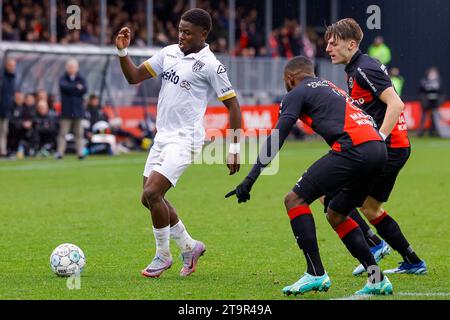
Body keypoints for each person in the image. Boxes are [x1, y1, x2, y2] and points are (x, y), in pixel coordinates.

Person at [226, 56, 392, 296]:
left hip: (353, 148)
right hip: (378, 149)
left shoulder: (296, 93)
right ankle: (377, 279)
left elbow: (277, 137)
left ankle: (315, 273)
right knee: (336, 213)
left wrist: (250, 179)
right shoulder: (329, 86)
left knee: (294, 199)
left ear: (289, 78)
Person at [116, 8, 242, 278]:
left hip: (186, 139)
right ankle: (189, 245)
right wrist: (122, 52)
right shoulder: (169, 53)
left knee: (152, 194)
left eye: (187, 32)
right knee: (148, 198)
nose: (181, 35)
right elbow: (134, 77)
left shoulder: (211, 65)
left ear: (203, 34)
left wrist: (233, 148)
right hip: (162, 137)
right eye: (180, 30)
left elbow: (233, 107)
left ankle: (163, 256)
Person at [325, 18, 426, 275]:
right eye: (327, 43)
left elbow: (396, 104)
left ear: (351, 44)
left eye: (333, 43)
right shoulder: (356, 68)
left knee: (331, 196)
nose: (328, 48)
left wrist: (378, 139)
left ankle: (374, 246)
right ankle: (413, 261)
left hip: (388, 149)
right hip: (395, 148)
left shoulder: (364, 69)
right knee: (370, 208)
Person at [56, 58, 88, 160]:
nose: (71, 69)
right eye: (70, 67)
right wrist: (76, 88)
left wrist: (72, 88)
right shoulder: (63, 78)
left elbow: (84, 89)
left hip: (78, 111)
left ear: (77, 68)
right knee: (63, 133)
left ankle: (80, 153)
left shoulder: (81, 78)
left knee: (79, 134)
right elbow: (64, 87)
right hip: (66, 111)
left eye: (73, 67)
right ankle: (60, 153)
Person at [418, 67, 444, 137]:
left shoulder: (438, 81)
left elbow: (441, 93)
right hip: (426, 103)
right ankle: (420, 132)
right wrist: (424, 101)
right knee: (424, 118)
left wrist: (439, 102)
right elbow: (421, 92)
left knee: (434, 118)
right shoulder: (424, 81)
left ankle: (433, 131)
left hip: (434, 103)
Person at [0, 58, 16, 157]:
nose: (12, 67)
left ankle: (3, 150)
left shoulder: (13, 78)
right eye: (10, 65)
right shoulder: (2, 77)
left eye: (13, 66)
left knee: (4, 131)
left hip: (6, 110)